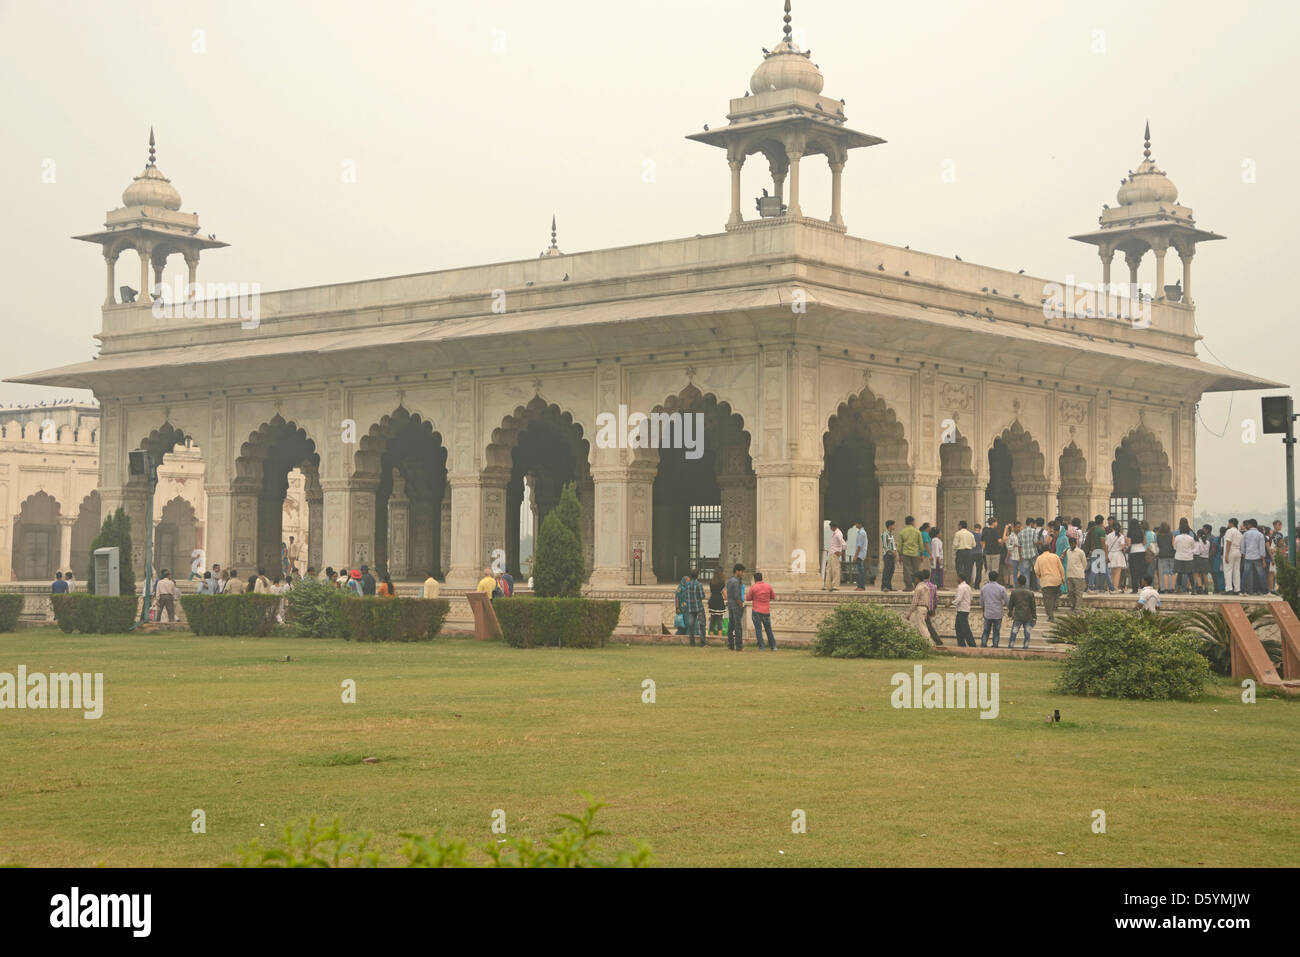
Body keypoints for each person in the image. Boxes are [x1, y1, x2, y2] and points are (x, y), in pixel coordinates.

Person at [906, 568, 942, 646]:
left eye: (915, 578)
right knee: (920, 626)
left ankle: (930, 643)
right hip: (925, 608)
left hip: (920, 608)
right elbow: (930, 599)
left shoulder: (918, 588)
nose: (914, 579)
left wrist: (909, 613)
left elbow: (914, 602)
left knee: (922, 627)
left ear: (918, 579)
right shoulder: (927, 587)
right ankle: (920, 643)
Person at [1033, 544, 1064, 622]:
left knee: (1047, 599)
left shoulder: (1039, 558)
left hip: (1046, 581)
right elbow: (1061, 568)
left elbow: (1036, 570)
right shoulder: (1055, 556)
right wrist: (1063, 578)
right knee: (1055, 594)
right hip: (1056, 580)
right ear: (1049, 549)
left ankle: (1050, 616)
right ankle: (1055, 606)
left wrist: (1040, 576)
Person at [979, 571, 1009, 648]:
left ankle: (983, 644)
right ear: (997, 578)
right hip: (998, 613)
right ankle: (995, 645)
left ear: (989, 577)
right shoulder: (1001, 588)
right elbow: (1006, 601)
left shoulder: (984, 588)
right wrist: (1010, 609)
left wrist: (983, 610)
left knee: (986, 630)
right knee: (996, 631)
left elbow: (981, 602)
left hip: (988, 612)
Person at [1008, 575, 1037, 649]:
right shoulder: (1030, 593)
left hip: (1018, 615)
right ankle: (1026, 646)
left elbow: (1010, 605)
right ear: (1025, 582)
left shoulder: (1014, 592)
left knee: (1014, 631)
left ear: (1018, 582)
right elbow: (1033, 607)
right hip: (1028, 616)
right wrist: (1034, 617)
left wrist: (1010, 613)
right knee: (1027, 632)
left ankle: (1011, 645)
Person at [749, 571, 775, 651]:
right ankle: (773, 646)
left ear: (754, 579)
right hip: (766, 611)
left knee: (758, 629)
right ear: (762, 578)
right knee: (768, 629)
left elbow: (748, 598)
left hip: (756, 610)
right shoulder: (768, 586)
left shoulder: (753, 587)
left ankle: (761, 647)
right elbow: (773, 596)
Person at [1241, 520, 1267, 595]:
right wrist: (1263, 559)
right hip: (1257, 557)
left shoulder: (1245, 534)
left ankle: (1242, 591)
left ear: (1250, 525)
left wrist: (1243, 554)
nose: (1247, 525)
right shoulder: (1260, 535)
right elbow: (1262, 548)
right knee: (1261, 574)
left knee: (1245, 574)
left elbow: (1243, 546)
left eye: (1248, 524)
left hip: (1248, 557)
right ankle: (1265, 591)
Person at [682, 569, 707, 646]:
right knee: (702, 624)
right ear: (697, 576)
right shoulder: (698, 584)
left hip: (690, 607)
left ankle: (692, 642)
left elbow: (685, 595)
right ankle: (702, 642)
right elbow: (702, 596)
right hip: (698, 607)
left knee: (691, 625)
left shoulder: (687, 584)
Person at [897, 516, 922, 590]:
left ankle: (909, 586)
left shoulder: (902, 532)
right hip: (915, 553)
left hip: (906, 553)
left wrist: (900, 555)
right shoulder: (917, 531)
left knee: (907, 570)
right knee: (916, 570)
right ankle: (917, 585)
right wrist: (921, 554)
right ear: (912, 522)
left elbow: (900, 545)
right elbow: (921, 544)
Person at [725, 564, 746, 651]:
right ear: (737, 571)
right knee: (738, 627)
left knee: (731, 626)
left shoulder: (730, 581)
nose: (743, 574)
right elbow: (737, 596)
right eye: (741, 571)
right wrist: (741, 605)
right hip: (736, 606)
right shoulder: (736, 582)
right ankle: (739, 646)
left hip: (730, 605)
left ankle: (731, 645)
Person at [1172, 520, 1196, 594]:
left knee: (1179, 573)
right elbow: (1193, 547)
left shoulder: (1177, 537)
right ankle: (1193, 590)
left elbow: (1174, 547)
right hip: (1188, 557)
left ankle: (1178, 589)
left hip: (1179, 557)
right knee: (1190, 574)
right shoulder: (1191, 538)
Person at [952, 572, 975, 647]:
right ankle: (961, 643)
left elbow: (958, 599)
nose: (956, 579)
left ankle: (971, 644)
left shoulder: (961, 587)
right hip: (965, 609)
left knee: (965, 628)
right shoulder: (968, 586)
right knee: (958, 627)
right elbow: (971, 598)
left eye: (957, 578)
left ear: (960, 578)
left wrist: (951, 603)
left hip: (962, 609)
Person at [1221, 518, 1243, 595]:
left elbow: (1228, 542)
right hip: (1238, 551)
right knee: (1236, 571)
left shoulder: (1229, 531)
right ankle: (1237, 589)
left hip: (1230, 551)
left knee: (1228, 570)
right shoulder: (1239, 532)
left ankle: (1229, 589)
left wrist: (1226, 555)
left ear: (1231, 523)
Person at [1018, 518, 1041, 591]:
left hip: (1025, 555)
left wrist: (1020, 556)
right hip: (1033, 554)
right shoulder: (1034, 531)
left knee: (1026, 573)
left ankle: (1027, 588)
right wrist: (1041, 543)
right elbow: (1035, 541)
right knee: (1037, 572)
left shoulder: (1020, 533)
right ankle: (1039, 588)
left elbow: (1019, 546)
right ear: (1031, 523)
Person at [1106, 521, 1128, 592]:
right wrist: (1125, 545)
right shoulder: (1121, 536)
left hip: (1111, 554)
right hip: (1118, 554)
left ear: (1112, 527)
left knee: (1112, 572)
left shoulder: (1108, 535)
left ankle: (1111, 588)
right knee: (1118, 572)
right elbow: (1122, 547)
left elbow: (1106, 546)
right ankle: (1115, 587)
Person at [824, 523, 845, 591]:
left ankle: (835, 585)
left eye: (831, 527)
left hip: (835, 553)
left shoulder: (838, 534)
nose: (830, 529)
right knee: (829, 569)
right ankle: (828, 585)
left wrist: (841, 552)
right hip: (832, 553)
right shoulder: (835, 533)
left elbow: (844, 544)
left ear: (833, 527)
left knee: (835, 570)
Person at [1156, 522, 1175, 592]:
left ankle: (1165, 588)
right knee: (1172, 572)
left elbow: (1157, 545)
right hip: (1171, 554)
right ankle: (1172, 588)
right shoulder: (1171, 534)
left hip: (1162, 555)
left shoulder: (1158, 535)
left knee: (1165, 572)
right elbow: (1173, 544)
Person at [981, 518, 1002, 583]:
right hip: (995, 552)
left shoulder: (985, 530)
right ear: (993, 523)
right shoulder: (996, 531)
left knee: (989, 569)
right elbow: (999, 541)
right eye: (996, 522)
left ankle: (986, 581)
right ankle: (993, 582)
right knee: (995, 569)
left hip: (987, 552)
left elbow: (982, 542)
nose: (997, 523)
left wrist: (984, 548)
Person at [1003, 520, 1022, 595]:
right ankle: (1016, 587)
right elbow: (1008, 546)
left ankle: (1023, 587)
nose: (1018, 529)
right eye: (1017, 527)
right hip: (1014, 556)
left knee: (1022, 572)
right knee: (1014, 572)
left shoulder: (1022, 535)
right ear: (1014, 528)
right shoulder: (1011, 536)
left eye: (1019, 527)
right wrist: (1013, 546)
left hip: (1022, 556)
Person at [880, 519, 898, 591]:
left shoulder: (891, 534)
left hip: (892, 555)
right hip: (887, 555)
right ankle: (884, 586)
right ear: (890, 526)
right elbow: (885, 546)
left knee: (891, 570)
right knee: (887, 570)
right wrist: (892, 551)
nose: (894, 526)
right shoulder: (885, 534)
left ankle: (889, 586)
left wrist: (895, 550)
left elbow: (891, 544)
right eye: (893, 525)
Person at [707, 568, 726, 636]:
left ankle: (711, 635)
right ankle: (719, 635)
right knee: (719, 619)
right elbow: (724, 593)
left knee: (712, 618)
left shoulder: (711, 582)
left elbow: (711, 592)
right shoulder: (722, 583)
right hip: (719, 600)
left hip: (712, 600)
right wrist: (728, 599)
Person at [851, 520, 868, 590]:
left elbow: (859, 546)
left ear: (860, 524)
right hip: (861, 554)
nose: (855, 524)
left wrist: (855, 556)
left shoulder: (861, 533)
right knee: (860, 570)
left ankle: (861, 586)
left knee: (860, 571)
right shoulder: (861, 532)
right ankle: (860, 586)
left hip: (860, 554)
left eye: (856, 523)